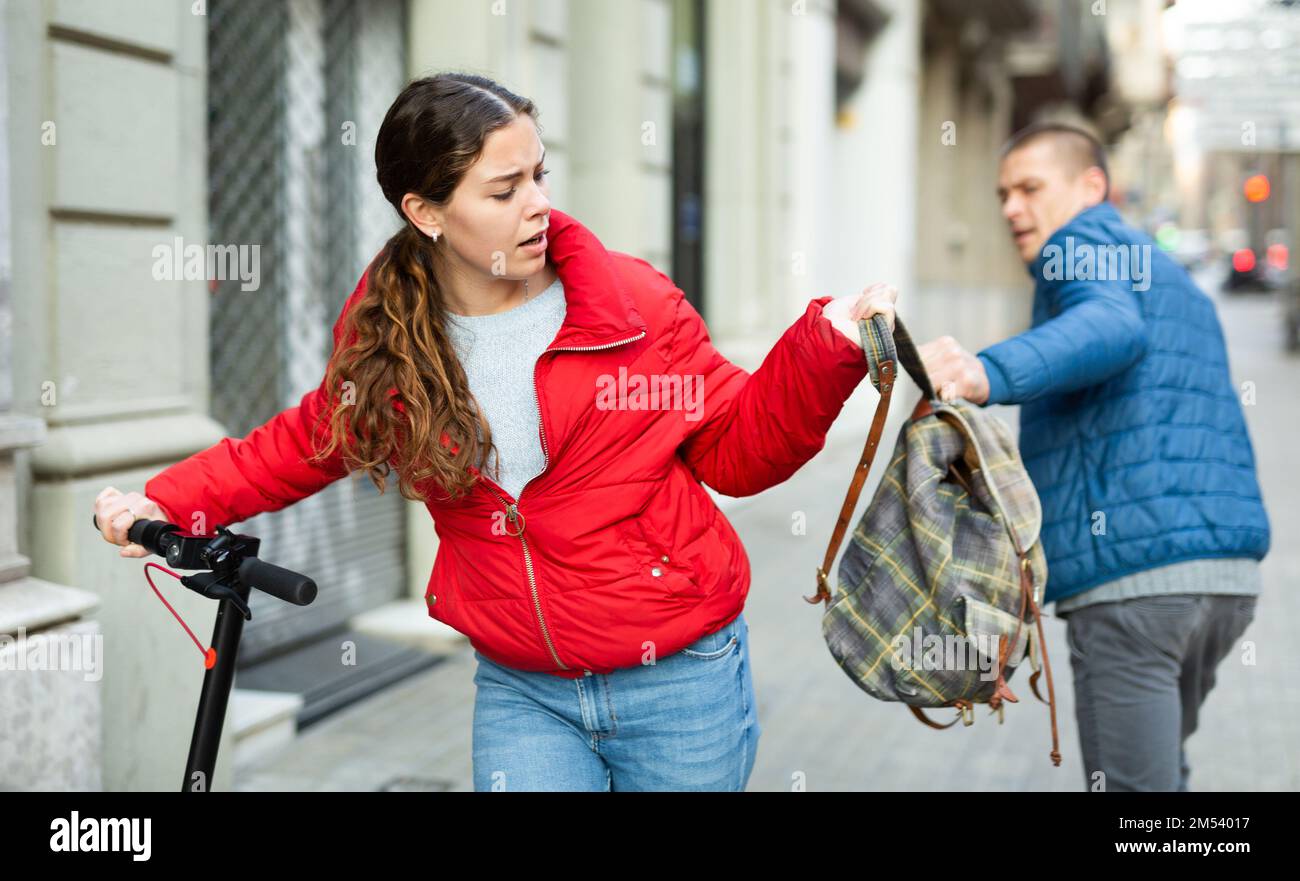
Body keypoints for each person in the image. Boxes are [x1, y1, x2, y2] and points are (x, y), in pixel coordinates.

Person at [92, 72, 899, 792]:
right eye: (504, 188)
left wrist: (824, 347)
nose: (538, 202)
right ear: (427, 211)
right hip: (522, 688)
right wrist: (163, 500)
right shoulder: (393, 344)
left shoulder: (628, 305)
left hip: (676, 677)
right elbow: (302, 442)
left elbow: (738, 448)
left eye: (538, 176)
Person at [917, 121, 1271, 792]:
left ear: (1092, 186)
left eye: (1029, 187)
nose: (1012, 208)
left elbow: (1111, 326)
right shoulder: (1171, 274)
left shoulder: (1077, 243)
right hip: (1223, 583)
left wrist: (984, 372)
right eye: (1002, 194)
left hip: (1133, 587)